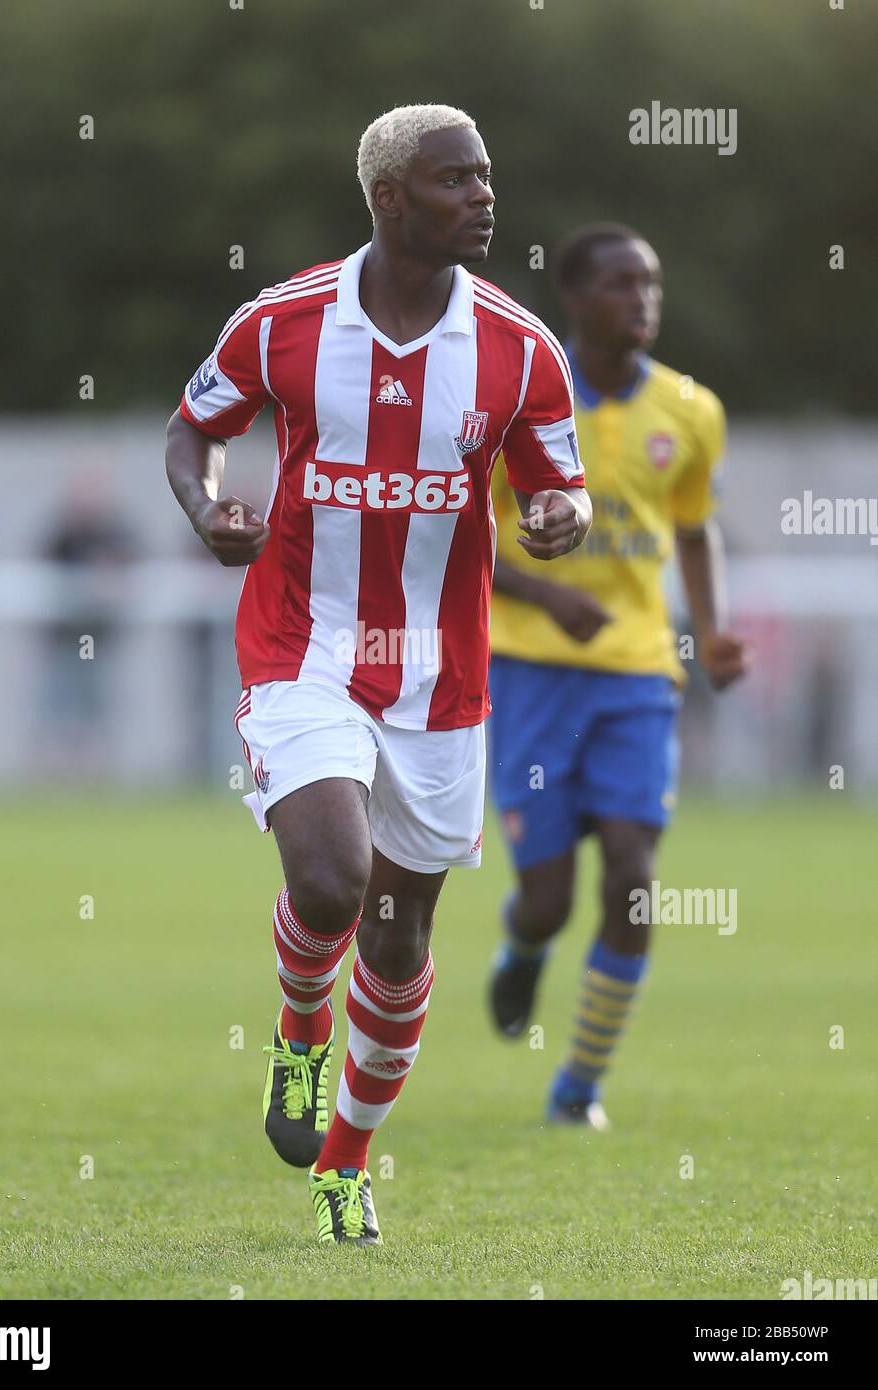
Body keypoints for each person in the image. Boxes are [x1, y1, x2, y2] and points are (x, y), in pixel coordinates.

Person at [166, 105, 591, 1244]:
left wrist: (559, 514)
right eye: (457, 179)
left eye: (488, 176)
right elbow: (193, 425)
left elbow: (560, 478)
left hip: (442, 686)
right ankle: (300, 1028)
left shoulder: (517, 344)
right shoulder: (287, 321)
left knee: (399, 939)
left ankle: (345, 1166)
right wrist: (209, 507)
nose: (485, 196)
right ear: (390, 197)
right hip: (303, 648)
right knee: (328, 880)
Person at [487, 223, 749, 1129]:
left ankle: (578, 1089)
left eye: (650, 283)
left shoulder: (689, 409)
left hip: (638, 670)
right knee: (549, 898)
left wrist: (710, 634)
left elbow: (690, 526)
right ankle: (521, 949)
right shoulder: (518, 394)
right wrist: (542, 596)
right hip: (526, 671)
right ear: (573, 299)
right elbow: (448, 536)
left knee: (633, 876)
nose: (641, 300)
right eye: (619, 284)